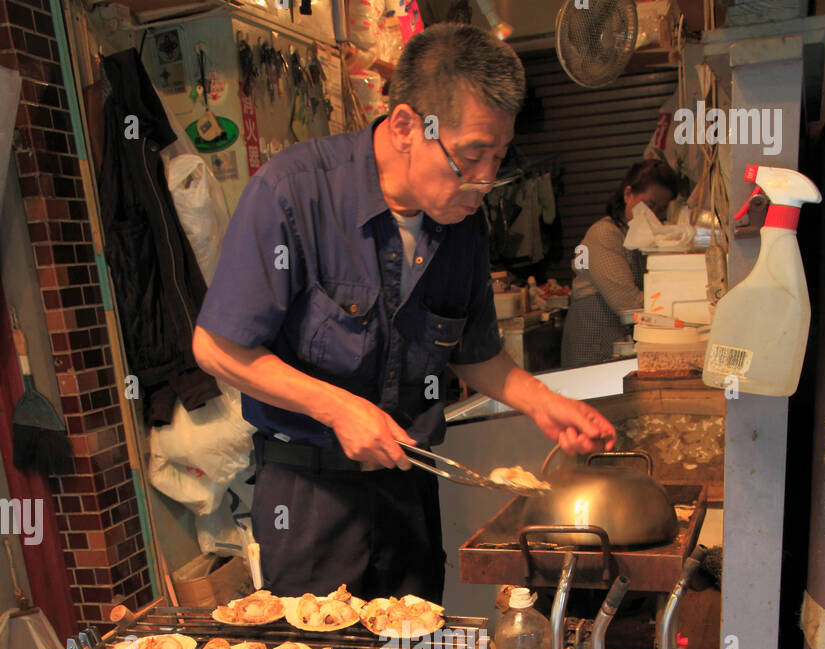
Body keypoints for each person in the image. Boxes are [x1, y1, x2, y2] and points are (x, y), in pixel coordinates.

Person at [193, 24, 615, 601]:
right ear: (406, 126)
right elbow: (216, 348)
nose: (486, 179)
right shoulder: (293, 194)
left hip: (408, 488)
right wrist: (339, 408)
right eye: (471, 156)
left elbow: (476, 354)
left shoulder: (462, 222)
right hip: (309, 496)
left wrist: (547, 405)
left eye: (498, 157)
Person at [561, 159, 678, 370]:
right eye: (650, 205)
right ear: (628, 194)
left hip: (621, 346)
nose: (654, 216)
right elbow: (627, 302)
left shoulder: (642, 239)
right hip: (593, 343)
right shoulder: (605, 233)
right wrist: (678, 309)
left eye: (661, 209)